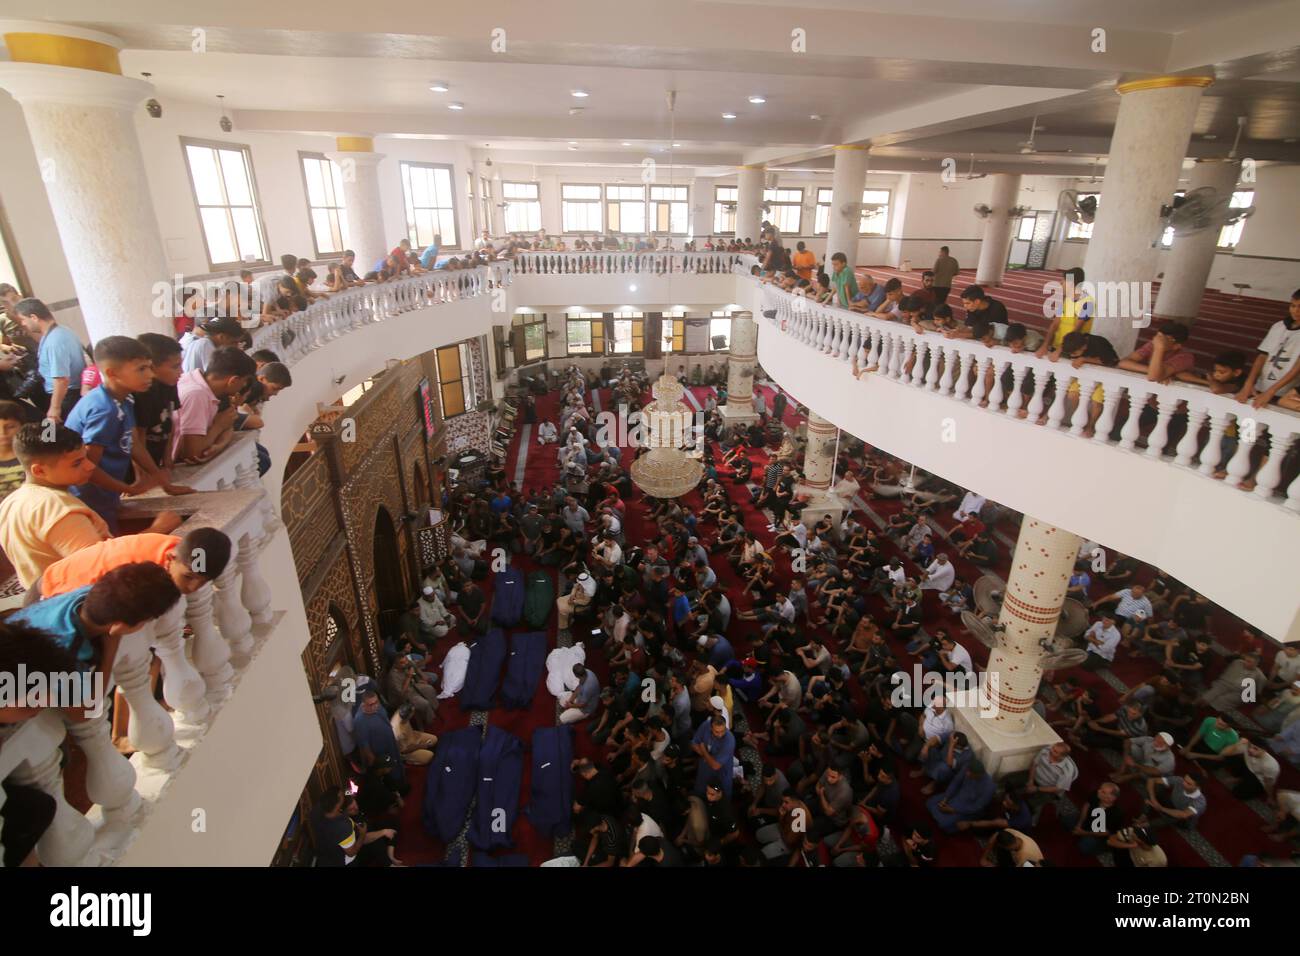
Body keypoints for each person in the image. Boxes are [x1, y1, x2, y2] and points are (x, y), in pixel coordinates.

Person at [7, 561, 182, 686]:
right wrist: (110, 651)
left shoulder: (86, 592)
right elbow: (83, 713)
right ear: (120, 627)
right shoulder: (67, 651)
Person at [64, 336, 160, 532]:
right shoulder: (103, 409)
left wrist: (160, 478)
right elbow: (87, 468)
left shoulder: (125, 399)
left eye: (150, 367)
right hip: (89, 497)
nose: (151, 374)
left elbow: (132, 441)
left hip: (105, 495)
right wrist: (130, 489)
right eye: (141, 369)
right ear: (111, 373)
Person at [34, 526, 231, 602]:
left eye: (204, 581)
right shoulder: (145, 575)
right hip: (52, 593)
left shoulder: (181, 550)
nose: (194, 588)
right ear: (171, 559)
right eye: (189, 577)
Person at [172, 346, 257, 463]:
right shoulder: (196, 395)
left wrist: (220, 444)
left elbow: (229, 426)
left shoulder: (205, 385)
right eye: (244, 381)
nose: (243, 386)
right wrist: (219, 426)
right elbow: (192, 453)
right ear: (233, 380)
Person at [14, 298, 85, 421]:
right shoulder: (61, 331)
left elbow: (61, 379)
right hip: (66, 395)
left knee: (52, 436)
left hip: (66, 398)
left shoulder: (55, 341)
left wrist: (55, 408)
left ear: (33, 317)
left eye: (23, 320)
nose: (23, 324)